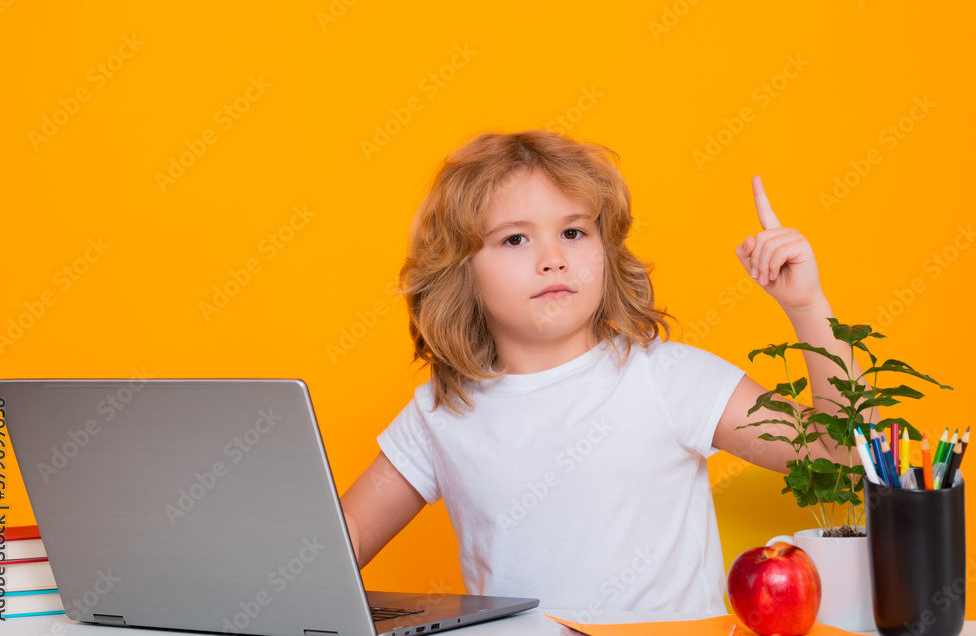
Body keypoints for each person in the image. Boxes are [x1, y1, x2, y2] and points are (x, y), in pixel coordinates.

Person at [340, 129, 862, 616]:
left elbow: (843, 461)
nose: (553, 258)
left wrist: (807, 306)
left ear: (606, 253)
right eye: (515, 239)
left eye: (573, 232)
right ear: (461, 270)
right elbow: (344, 539)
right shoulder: (442, 408)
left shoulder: (670, 379)